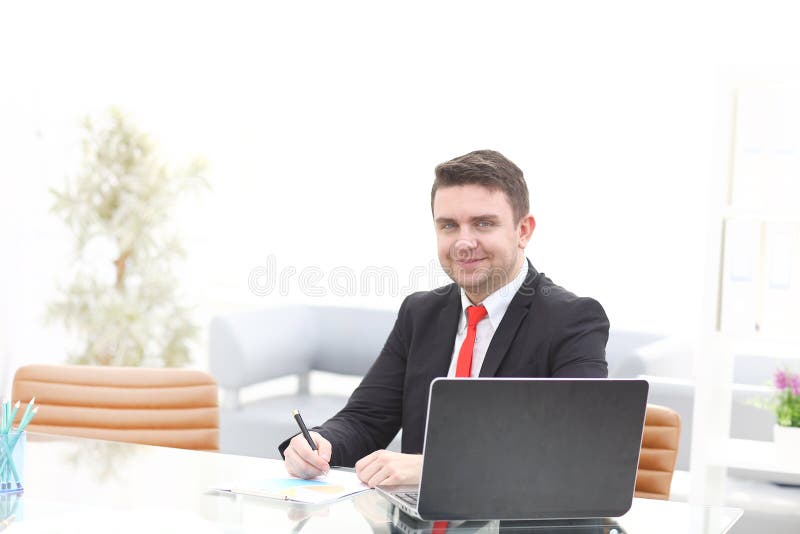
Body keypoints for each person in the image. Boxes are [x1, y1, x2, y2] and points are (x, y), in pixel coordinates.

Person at [279, 149, 609, 487]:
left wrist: (431, 468)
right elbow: (366, 419)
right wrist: (319, 443)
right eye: (449, 225)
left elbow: (574, 449)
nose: (464, 243)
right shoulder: (420, 313)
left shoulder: (572, 319)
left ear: (523, 230)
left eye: (483, 223)